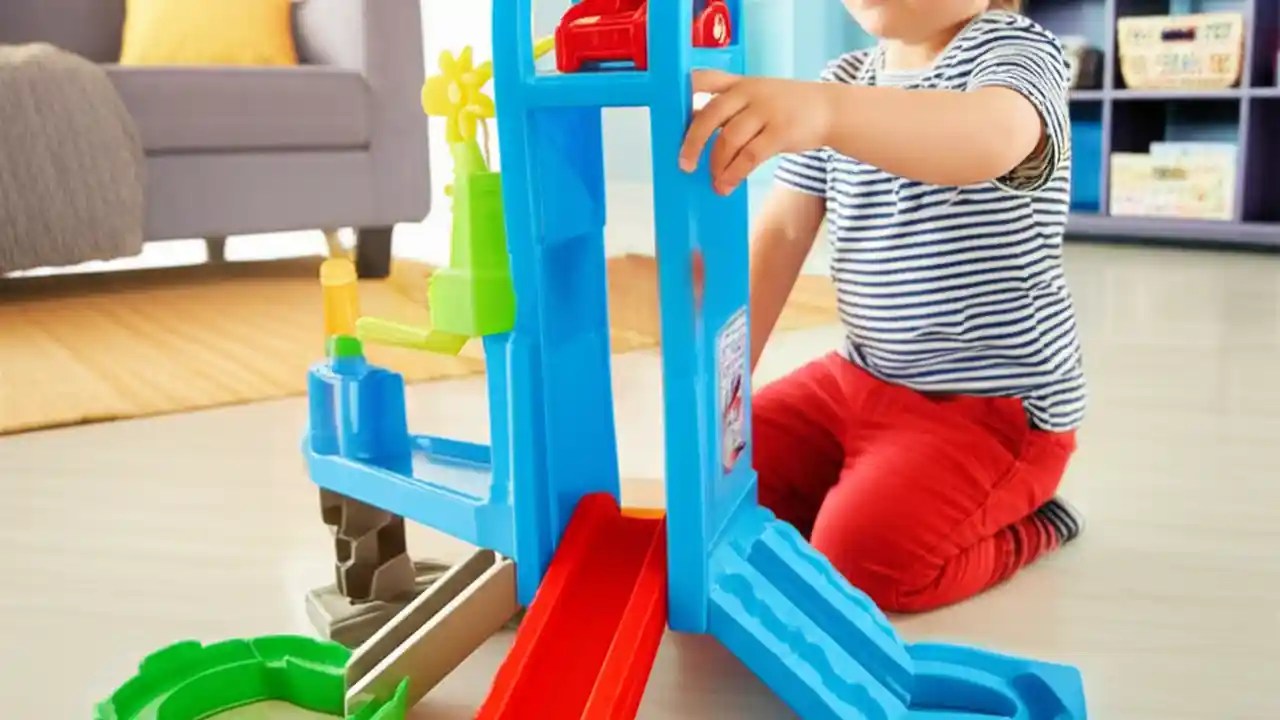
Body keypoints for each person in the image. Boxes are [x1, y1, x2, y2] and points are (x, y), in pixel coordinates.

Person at [679, 0, 1087, 613]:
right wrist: (720, 382)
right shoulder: (844, 78)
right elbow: (784, 234)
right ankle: (871, 493)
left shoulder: (1015, 53)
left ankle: (1034, 526)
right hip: (859, 377)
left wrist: (826, 114)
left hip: (990, 411)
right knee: (723, 476)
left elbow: (991, 137)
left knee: (863, 563)